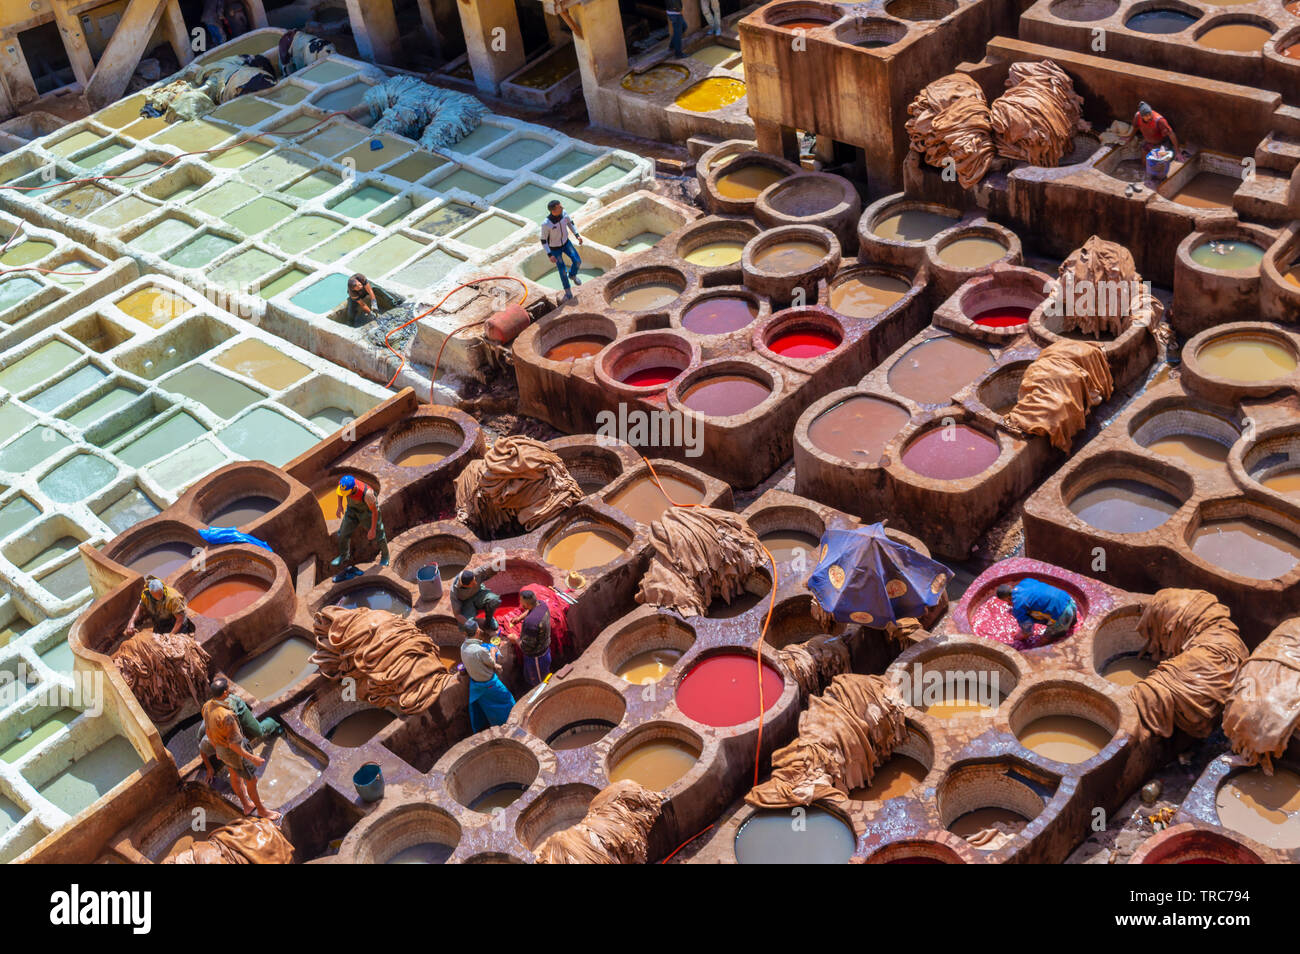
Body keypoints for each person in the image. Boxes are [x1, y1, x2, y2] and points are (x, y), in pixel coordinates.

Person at [200, 677, 280, 820]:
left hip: (222, 750)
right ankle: (262, 811)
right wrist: (252, 758)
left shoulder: (207, 706)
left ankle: (247, 806)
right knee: (252, 780)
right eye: (228, 690)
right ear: (225, 693)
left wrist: (217, 749)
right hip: (233, 753)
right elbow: (234, 745)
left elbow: (207, 731)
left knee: (235, 776)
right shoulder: (228, 716)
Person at [330, 474, 389, 580]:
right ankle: (344, 555)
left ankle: (385, 556)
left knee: (379, 533)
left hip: (367, 512)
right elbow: (340, 493)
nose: (345, 494)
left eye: (347, 493)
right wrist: (339, 506)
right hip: (352, 510)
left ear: (354, 488)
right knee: (343, 533)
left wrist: (372, 529)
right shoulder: (344, 485)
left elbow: (375, 512)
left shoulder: (368, 494)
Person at [461, 620, 516, 731]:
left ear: (465, 634)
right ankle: (510, 724)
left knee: (489, 708)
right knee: (508, 701)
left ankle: (496, 725)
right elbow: (491, 663)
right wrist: (492, 650)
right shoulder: (480, 650)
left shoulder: (463, 647)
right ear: (477, 632)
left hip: (476, 684)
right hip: (489, 684)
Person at [996, 579, 1077, 647]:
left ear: (1007, 598)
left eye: (1006, 601)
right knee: (1072, 624)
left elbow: (1028, 631)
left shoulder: (1018, 607)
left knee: (1044, 640)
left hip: (1063, 614)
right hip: (1069, 600)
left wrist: (1019, 636)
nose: (1008, 604)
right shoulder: (1026, 581)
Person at [539, 199, 584, 300]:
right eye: (560, 207)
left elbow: (570, 223)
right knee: (562, 271)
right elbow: (543, 240)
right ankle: (568, 291)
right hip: (554, 249)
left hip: (566, 243)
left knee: (577, 261)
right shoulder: (546, 224)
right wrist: (549, 254)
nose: (562, 207)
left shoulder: (564, 213)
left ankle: (572, 275)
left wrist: (577, 235)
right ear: (553, 210)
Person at [506, 588, 551, 688]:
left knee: (539, 681)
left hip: (537, 657)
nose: (520, 603)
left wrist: (515, 639)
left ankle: (541, 692)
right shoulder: (541, 604)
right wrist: (519, 618)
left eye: (521, 602)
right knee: (531, 675)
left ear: (525, 605)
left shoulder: (531, 623)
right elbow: (530, 610)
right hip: (544, 647)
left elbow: (527, 647)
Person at [125, 577, 194, 637]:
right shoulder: (146, 594)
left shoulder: (173, 598)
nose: (159, 598)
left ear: (163, 589)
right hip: (161, 622)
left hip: (175, 622)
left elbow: (180, 619)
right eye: (155, 596)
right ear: (150, 593)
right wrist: (131, 622)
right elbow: (140, 607)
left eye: (160, 594)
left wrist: (170, 635)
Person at [1122, 102, 1187, 161]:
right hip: (1148, 142)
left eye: (1150, 114)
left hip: (1162, 143)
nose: (1149, 117)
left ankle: (1171, 152)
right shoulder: (1137, 117)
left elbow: (1171, 134)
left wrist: (1178, 152)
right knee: (1145, 162)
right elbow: (1135, 128)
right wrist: (1130, 139)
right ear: (1142, 116)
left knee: (1159, 163)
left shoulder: (1159, 120)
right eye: (1146, 116)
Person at [451, 568, 502, 636]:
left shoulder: (477, 573)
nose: (475, 583)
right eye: (472, 583)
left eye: (474, 580)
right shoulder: (454, 592)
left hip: (479, 593)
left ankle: (489, 620)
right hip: (466, 602)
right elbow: (457, 614)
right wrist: (472, 625)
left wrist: (502, 564)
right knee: (464, 626)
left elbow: (493, 566)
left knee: (494, 601)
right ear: (465, 586)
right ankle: (476, 624)